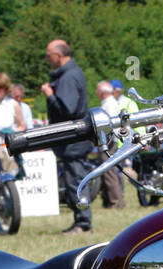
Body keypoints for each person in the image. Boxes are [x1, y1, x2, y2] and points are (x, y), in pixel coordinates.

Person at [42, 37, 92, 234]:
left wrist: (50, 95)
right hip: (75, 138)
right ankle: (80, 221)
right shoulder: (71, 74)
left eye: (48, 56)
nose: (47, 59)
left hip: (73, 138)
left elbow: (67, 109)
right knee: (75, 179)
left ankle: (83, 223)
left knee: (75, 181)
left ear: (58, 55)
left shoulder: (69, 77)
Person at [94, 79, 124, 208]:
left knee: (109, 173)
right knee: (109, 172)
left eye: (98, 91)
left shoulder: (109, 104)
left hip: (108, 142)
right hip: (109, 141)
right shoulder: (110, 103)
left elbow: (109, 126)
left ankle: (116, 202)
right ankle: (111, 200)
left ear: (102, 93)